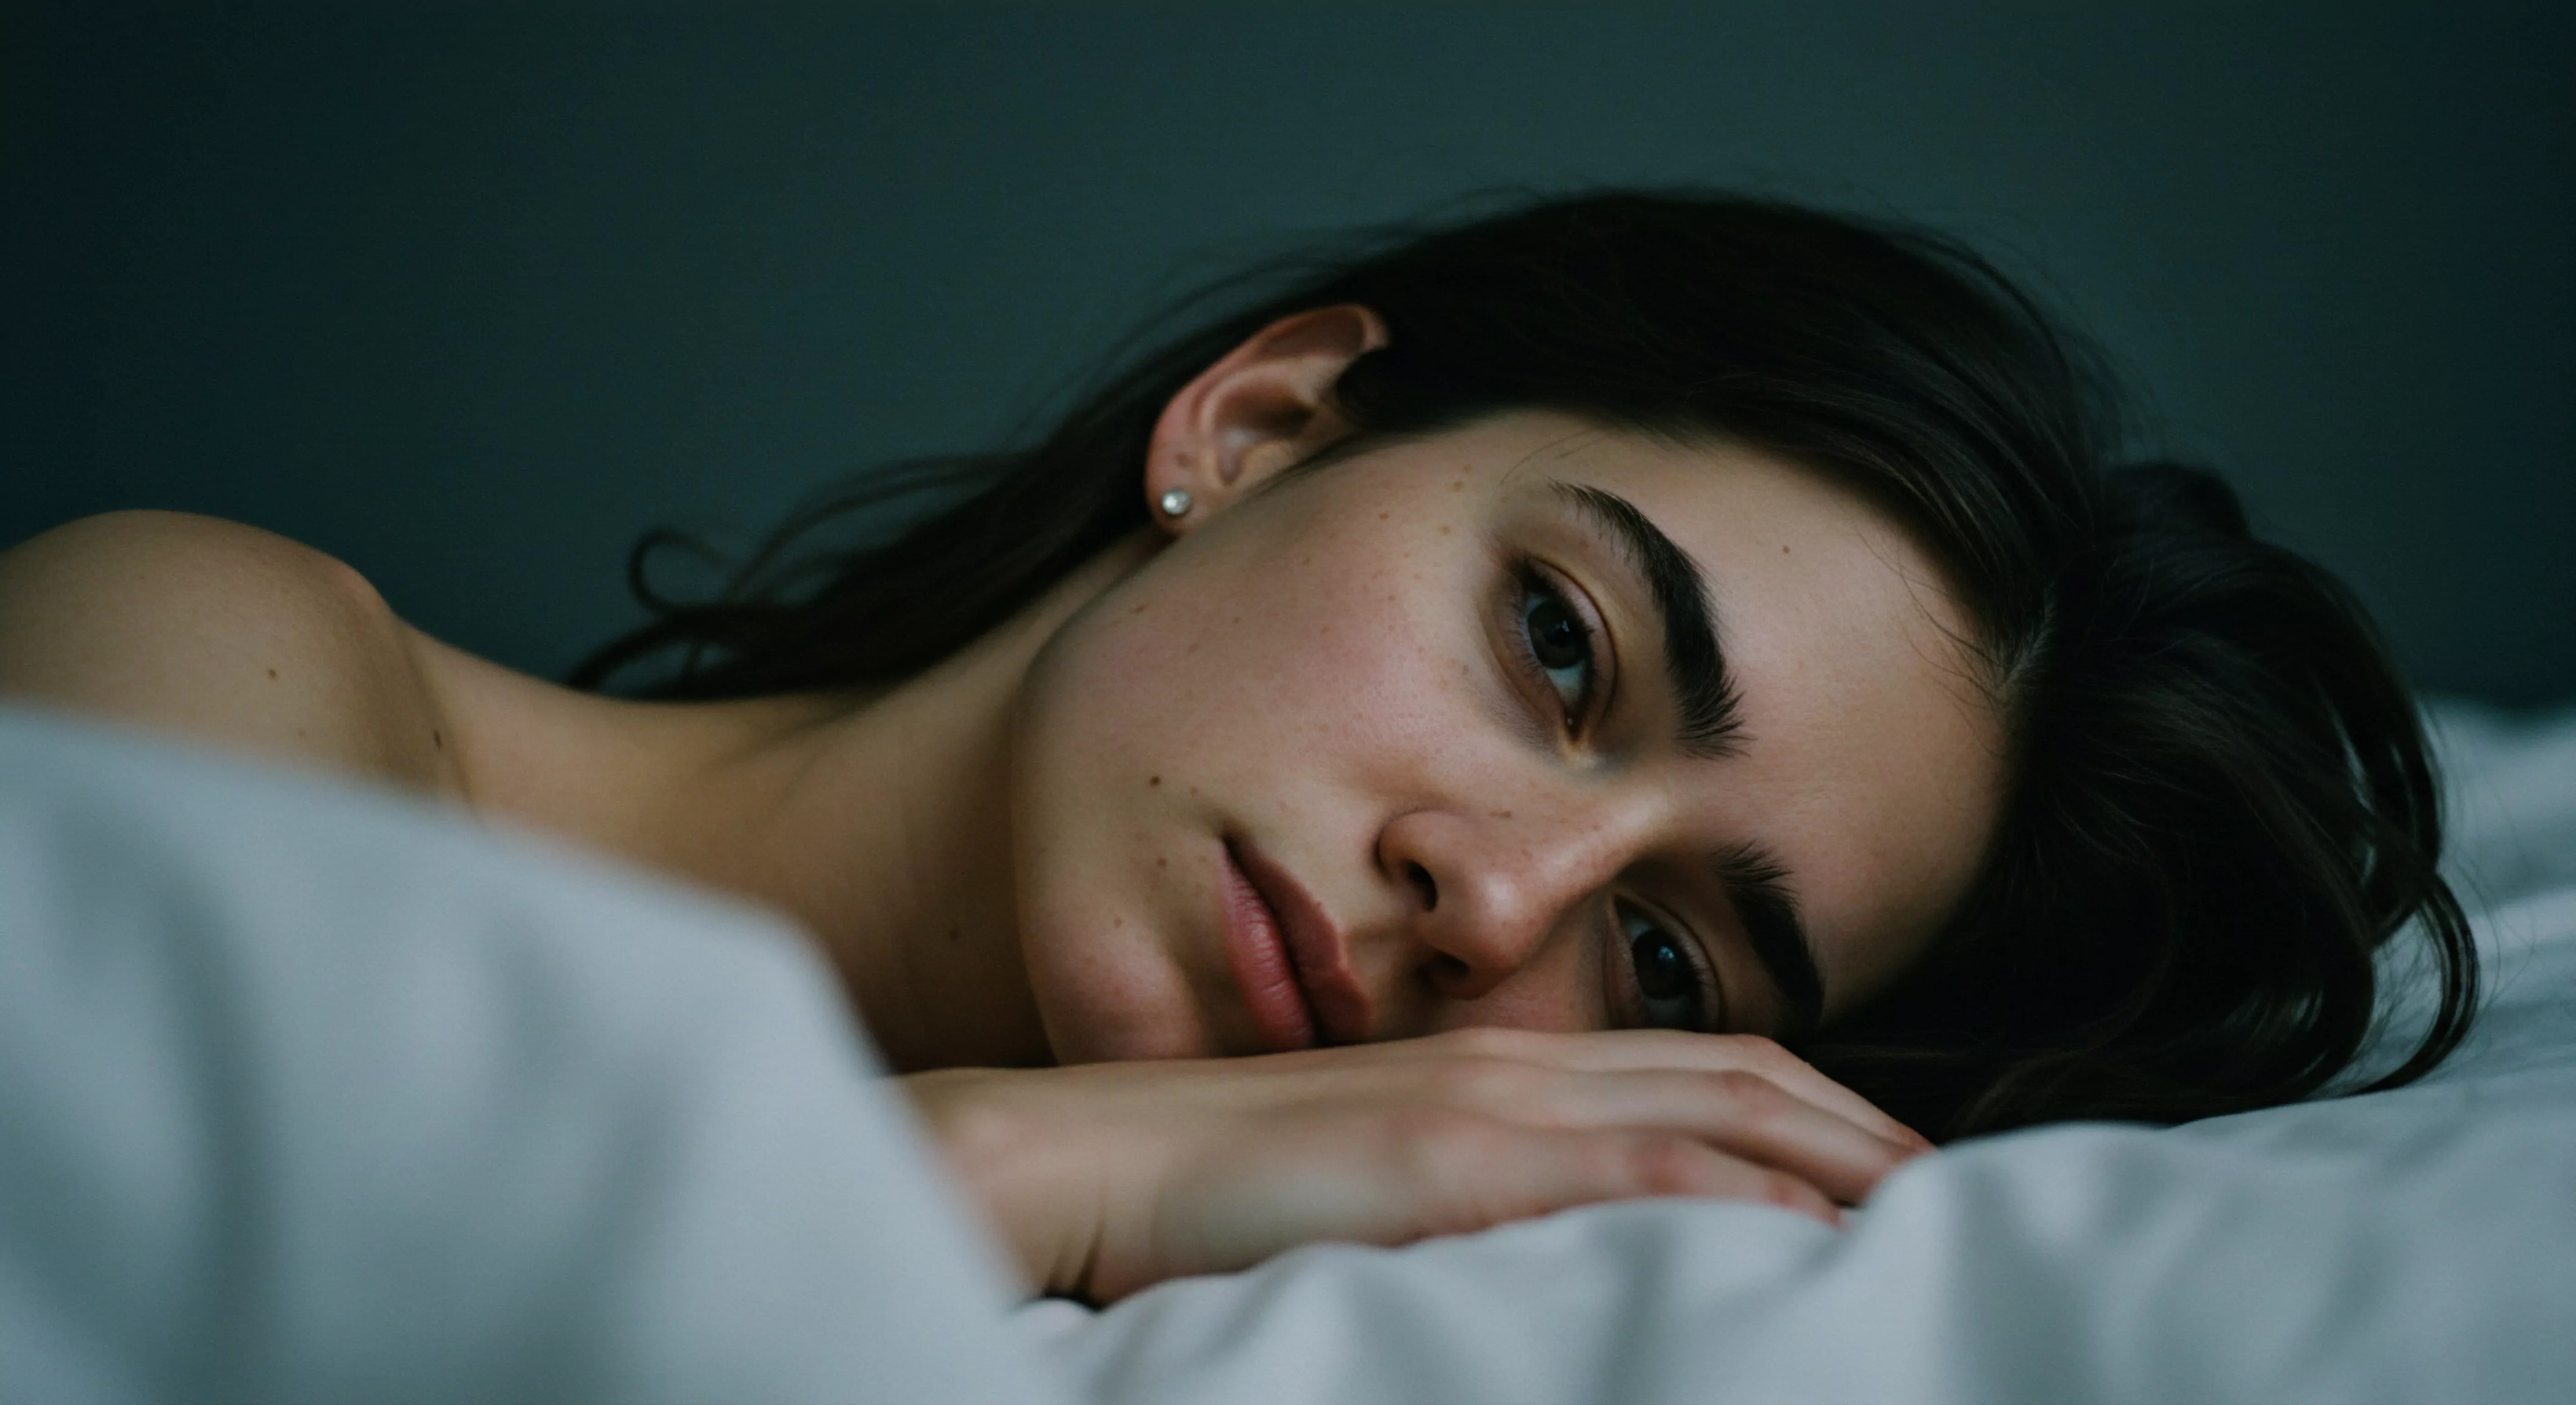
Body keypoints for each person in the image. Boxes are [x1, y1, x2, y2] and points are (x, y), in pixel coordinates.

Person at [0, 191, 2475, 1304]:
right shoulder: (229, 658)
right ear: (1269, 422)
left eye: (1666, 963)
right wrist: (1022, 1170)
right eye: (1558, 644)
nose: (1491, 910)